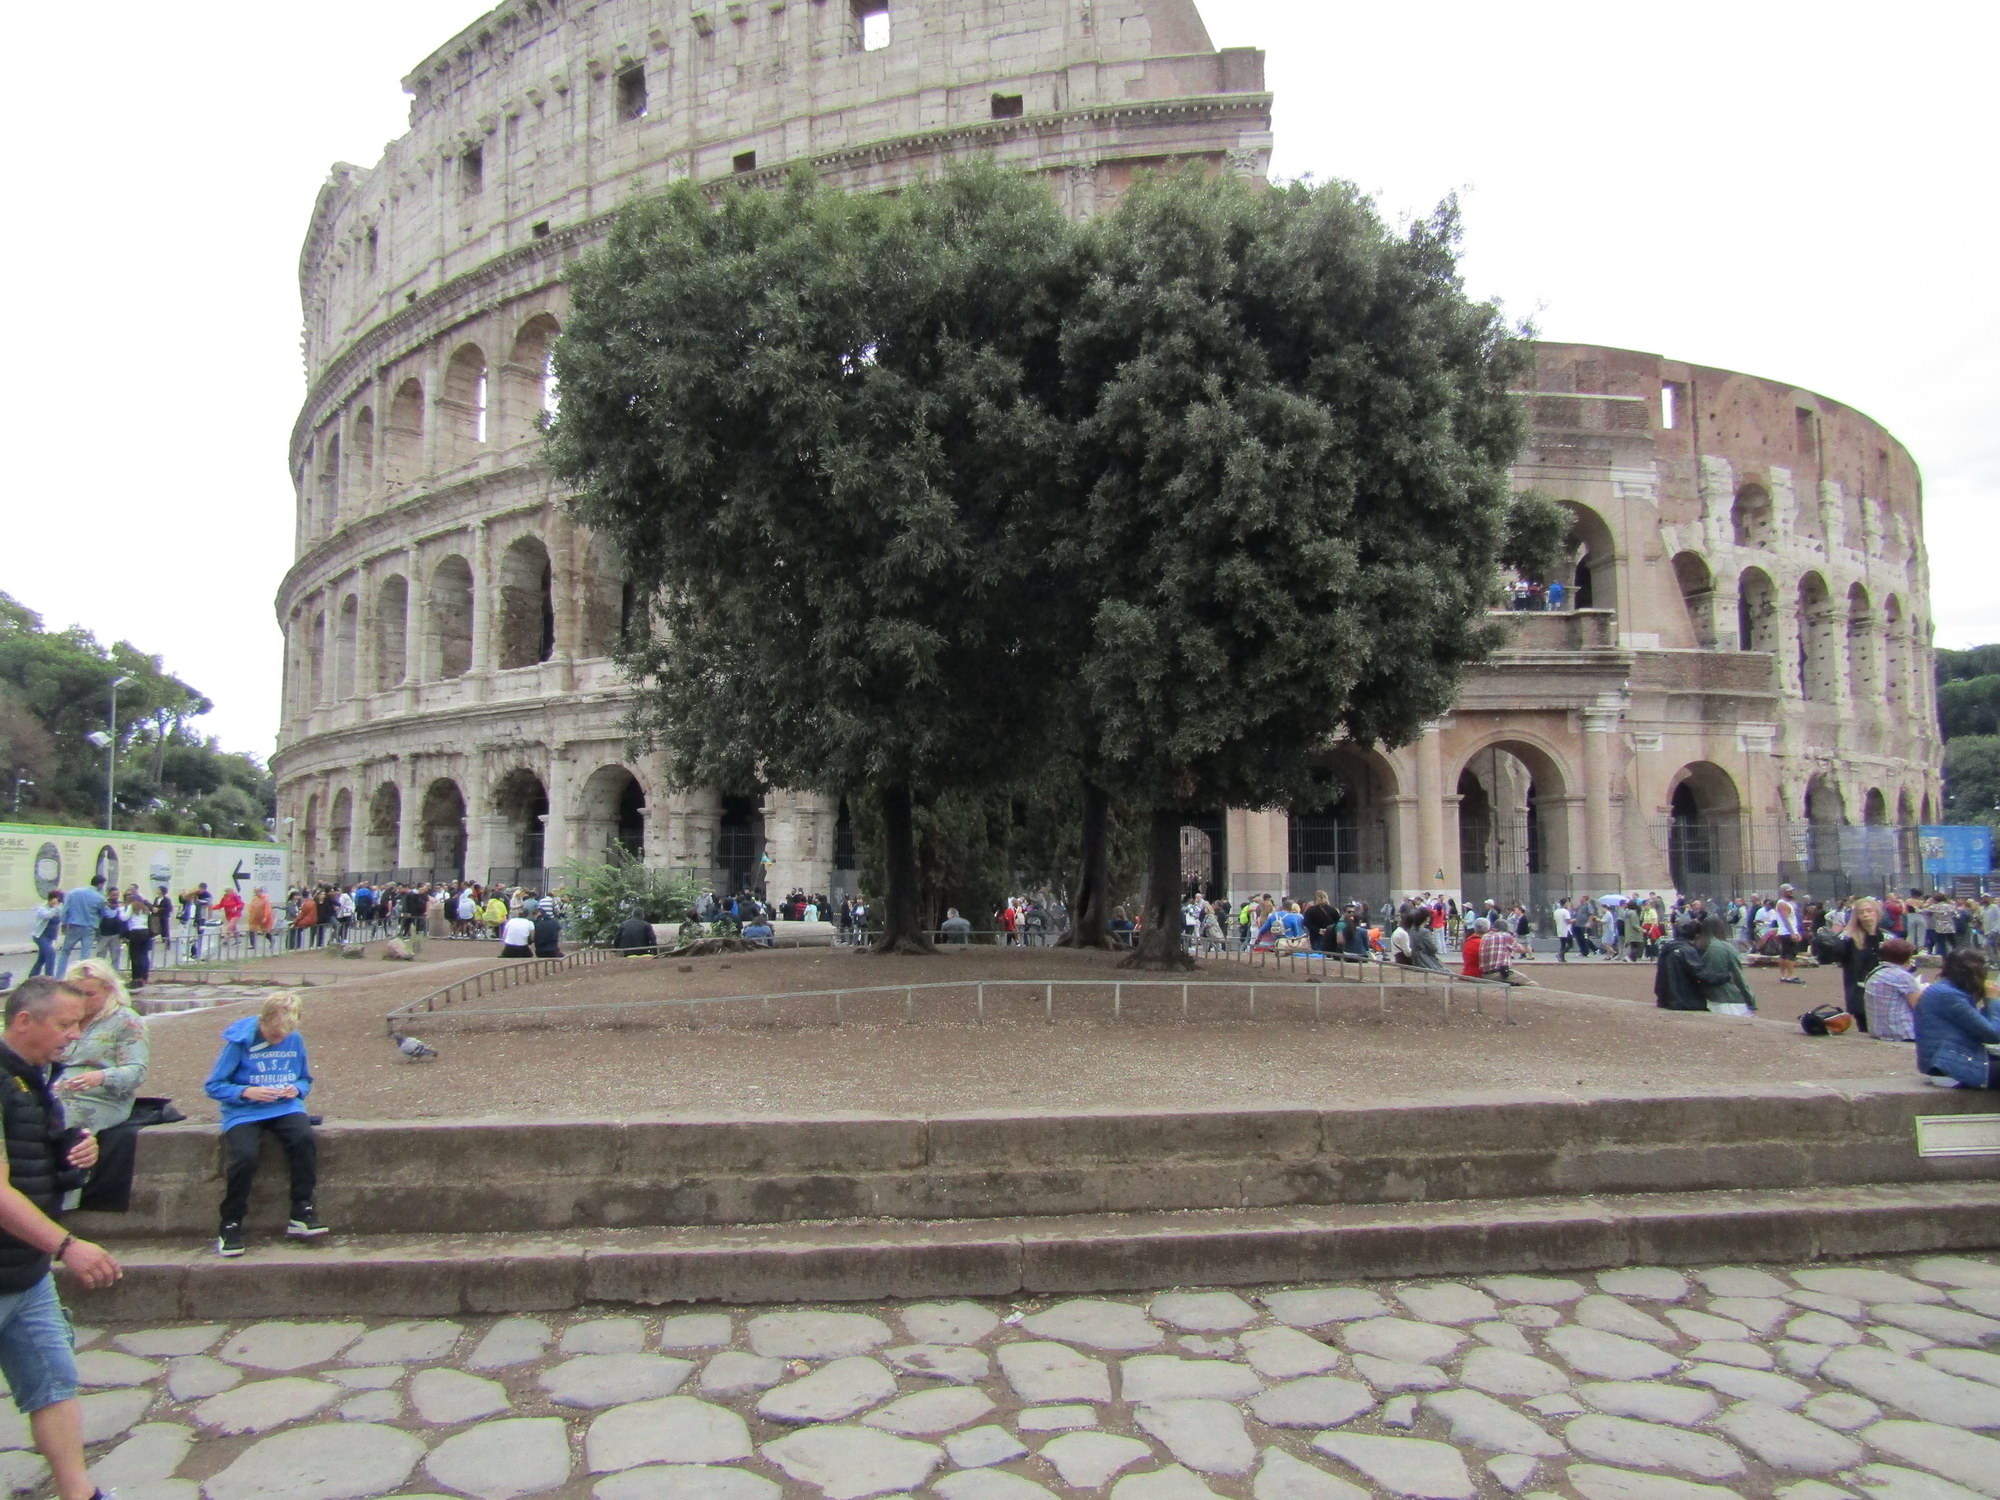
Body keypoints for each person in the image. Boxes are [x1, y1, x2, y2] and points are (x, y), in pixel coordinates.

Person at [0, 977, 124, 1500]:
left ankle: (80, 1494)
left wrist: (76, 1149)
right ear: (23, 1021)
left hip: (23, 1270)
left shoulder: (30, 1078)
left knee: (53, 1381)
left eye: (79, 1024)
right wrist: (68, 1246)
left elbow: (31, 1154)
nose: (75, 1035)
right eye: (65, 1024)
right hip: (20, 1260)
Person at [204, 993, 327, 1256]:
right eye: (274, 1035)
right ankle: (231, 1222)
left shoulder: (295, 1039)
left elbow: (305, 1079)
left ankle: (302, 1209)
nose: (279, 1040)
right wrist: (246, 1091)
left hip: (284, 1106)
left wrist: (297, 1089)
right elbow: (214, 1085)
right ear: (264, 1021)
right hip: (245, 1111)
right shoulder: (239, 1043)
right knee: (245, 1156)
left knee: (303, 1140)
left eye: (283, 1036)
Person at [50, 961, 149, 1214]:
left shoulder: (126, 1020)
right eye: (77, 993)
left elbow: (137, 1071)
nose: (83, 1001)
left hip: (103, 1098)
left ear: (108, 989)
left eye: (89, 994)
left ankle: (63, 1199)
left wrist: (102, 1076)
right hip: (58, 1091)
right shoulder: (67, 1019)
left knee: (66, 1122)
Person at [1913, 948, 2000, 1089]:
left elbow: (1979, 1027)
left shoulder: (1944, 989)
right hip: (1952, 1068)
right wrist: (1993, 1000)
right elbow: (1993, 1035)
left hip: (1947, 1062)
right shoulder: (1950, 996)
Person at [1836, 899, 1886, 1033]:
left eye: (1869, 911)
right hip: (1860, 990)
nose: (1865, 915)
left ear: (1877, 913)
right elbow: (1836, 955)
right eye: (1861, 912)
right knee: (1865, 1028)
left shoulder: (1885, 937)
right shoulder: (1850, 939)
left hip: (1883, 990)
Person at [1862, 938, 1921, 1043]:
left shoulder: (1874, 973)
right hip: (1902, 1032)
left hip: (1877, 1030)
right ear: (1908, 958)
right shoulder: (1903, 977)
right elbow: (1919, 1006)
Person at [1696, 914, 1757, 1015]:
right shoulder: (1725, 947)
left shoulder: (1696, 946)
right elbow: (1738, 976)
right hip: (1727, 997)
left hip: (1705, 997)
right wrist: (1749, 999)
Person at [54, 879, 106, 979]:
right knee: (85, 955)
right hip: (90, 928)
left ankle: (59, 976)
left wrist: (64, 924)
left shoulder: (74, 893)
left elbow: (65, 910)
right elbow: (102, 914)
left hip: (73, 926)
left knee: (65, 952)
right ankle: (81, 977)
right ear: (100, 885)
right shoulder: (99, 897)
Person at [1653, 919, 1709, 1011]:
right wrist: (1723, 976)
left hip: (1664, 1000)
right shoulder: (1688, 950)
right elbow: (1700, 974)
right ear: (1697, 935)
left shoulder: (1667, 948)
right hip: (1684, 1001)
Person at [27, 894, 62, 980]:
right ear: (50, 899)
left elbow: (62, 917)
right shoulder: (42, 908)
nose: (56, 903)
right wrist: (55, 908)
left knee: (42, 958)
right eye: (54, 900)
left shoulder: (58, 908)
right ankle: (49, 978)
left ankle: (32, 976)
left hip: (50, 937)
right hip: (40, 936)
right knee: (51, 954)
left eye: (58, 901)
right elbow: (47, 915)